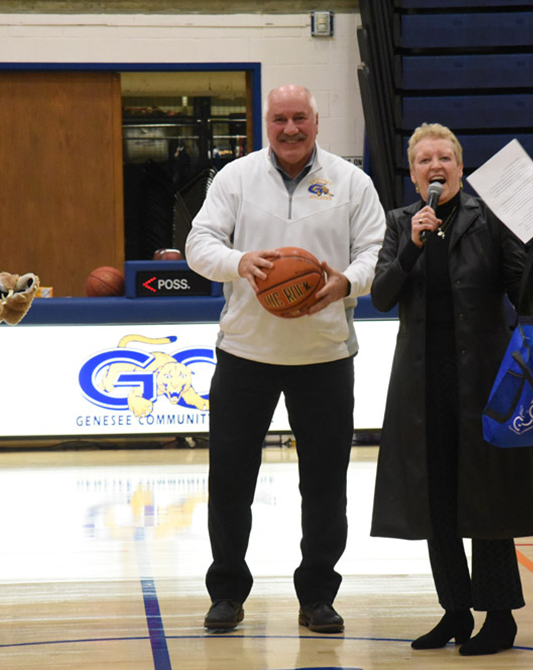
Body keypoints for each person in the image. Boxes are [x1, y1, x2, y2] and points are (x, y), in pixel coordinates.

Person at [185, 84, 385, 634]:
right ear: (265, 124)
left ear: (317, 124)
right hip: (246, 352)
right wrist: (239, 261)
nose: (290, 128)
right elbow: (198, 244)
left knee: (324, 481)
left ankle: (318, 593)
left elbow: (376, 251)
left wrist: (346, 282)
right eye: (279, 119)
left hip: (324, 354)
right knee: (230, 479)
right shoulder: (235, 177)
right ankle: (227, 591)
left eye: (300, 118)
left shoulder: (352, 182)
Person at [370, 123, 533, 655]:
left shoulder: (491, 219)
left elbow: (525, 299)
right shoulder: (400, 223)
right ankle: (454, 612)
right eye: (425, 159)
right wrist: (409, 249)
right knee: (437, 500)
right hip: (422, 385)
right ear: (412, 175)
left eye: (445, 157)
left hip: (483, 382)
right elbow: (382, 295)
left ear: (460, 167)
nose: (436, 166)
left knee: (490, 499)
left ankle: (499, 618)